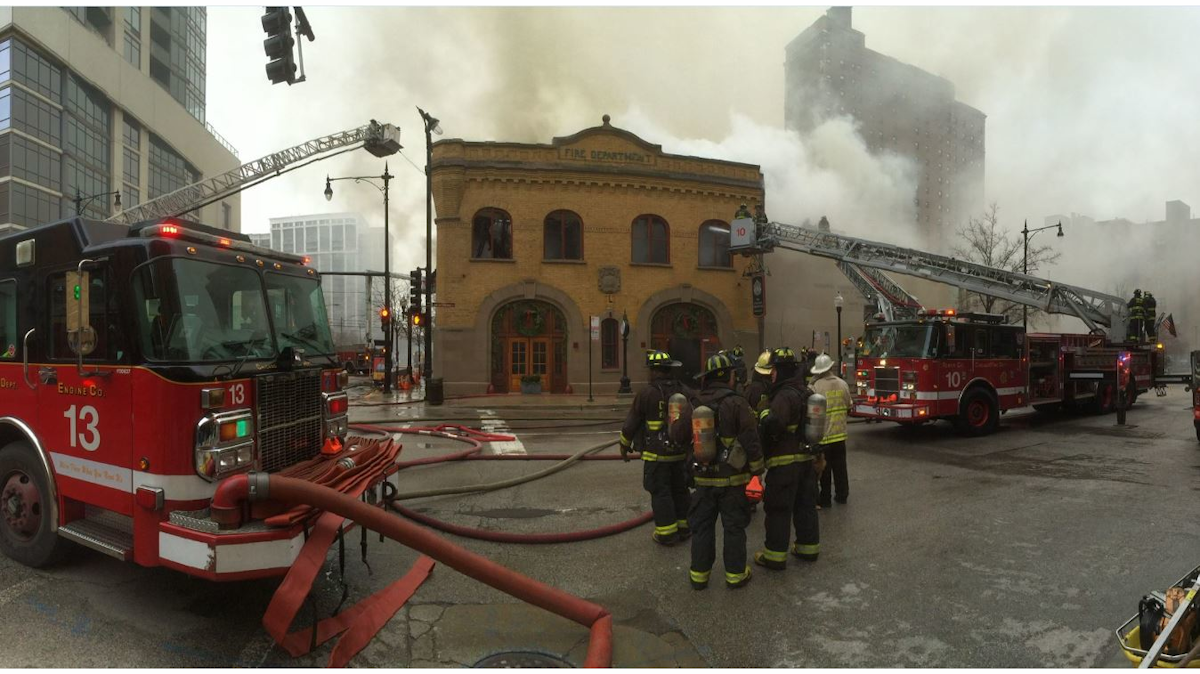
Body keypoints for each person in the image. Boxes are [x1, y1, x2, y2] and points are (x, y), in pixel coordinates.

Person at [671, 353, 764, 590]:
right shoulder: (738, 402)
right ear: (728, 376)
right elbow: (751, 438)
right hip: (734, 482)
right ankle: (735, 575)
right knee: (733, 528)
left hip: (703, 480)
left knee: (702, 527)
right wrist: (757, 469)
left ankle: (699, 576)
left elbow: (677, 435)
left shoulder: (695, 403)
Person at [752, 347, 820, 571]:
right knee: (805, 506)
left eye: (773, 370)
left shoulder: (784, 395)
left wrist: (763, 414)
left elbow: (774, 424)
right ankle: (807, 548)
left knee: (779, 509)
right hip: (805, 462)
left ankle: (774, 556)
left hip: (784, 465)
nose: (770, 375)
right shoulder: (807, 392)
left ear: (779, 371)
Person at [619, 350, 693, 545]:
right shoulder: (684, 391)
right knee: (680, 489)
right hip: (679, 454)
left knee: (661, 492)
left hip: (656, 456)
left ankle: (667, 534)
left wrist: (624, 446)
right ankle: (684, 527)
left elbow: (631, 424)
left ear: (653, 371)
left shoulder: (647, 393)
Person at [810, 353, 852, 509]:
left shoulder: (815, 386)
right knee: (840, 468)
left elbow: (811, 411)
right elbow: (849, 405)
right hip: (840, 435)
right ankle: (842, 495)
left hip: (824, 437)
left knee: (824, 470)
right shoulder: (843, 384)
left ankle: (825, 499)